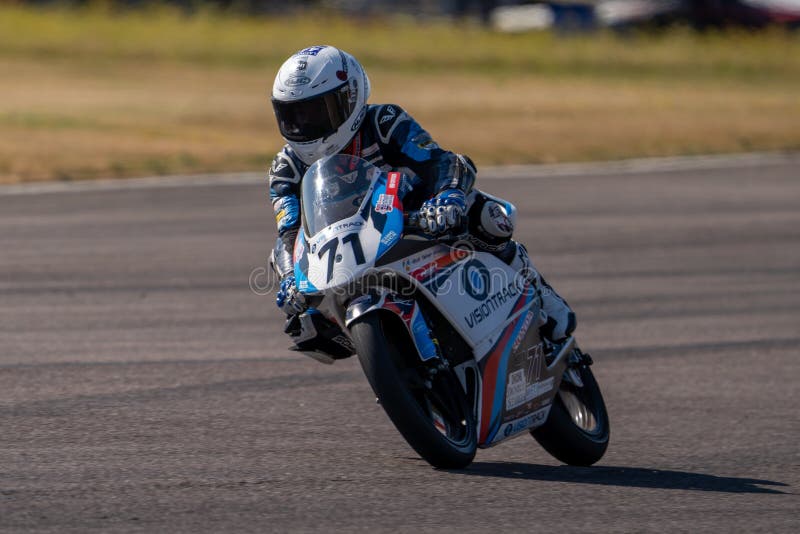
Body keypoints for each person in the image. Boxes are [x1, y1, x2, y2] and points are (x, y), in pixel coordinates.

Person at [268, 45, 575, 348]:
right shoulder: (286, 167)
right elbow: (289, 232)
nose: (303, 124)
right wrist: (289, 278)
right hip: (343, 248)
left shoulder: (384, 122)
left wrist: (448, 196)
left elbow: (441, 161)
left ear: (350, 98)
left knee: (487, 216)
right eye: (293, 115)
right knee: (303, 320)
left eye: (315, 111)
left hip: (415, 216)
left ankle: (539, 292)